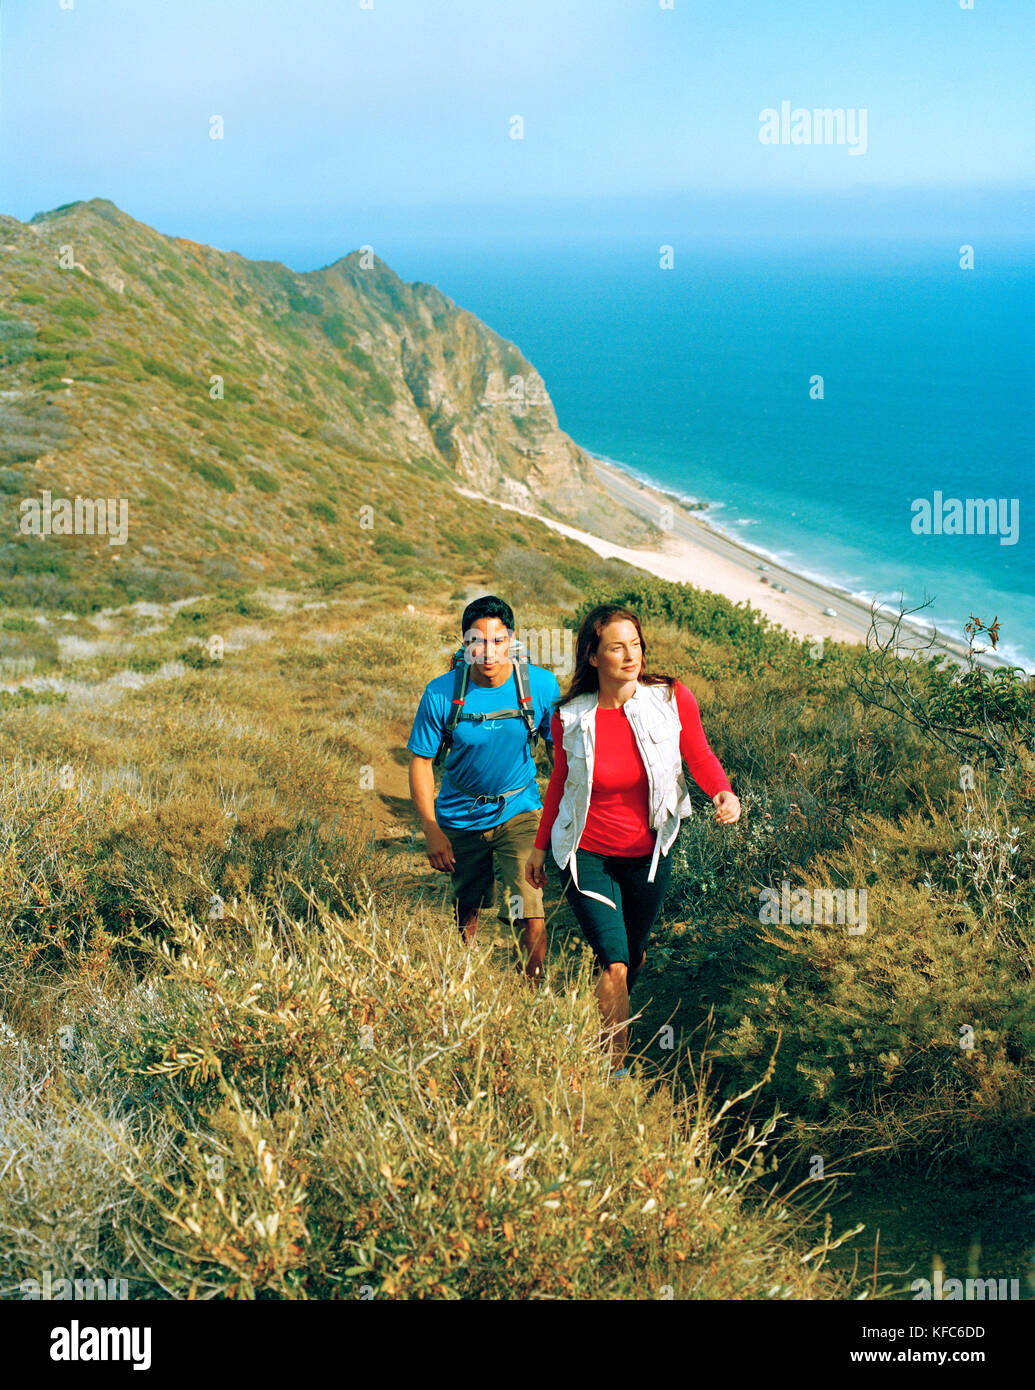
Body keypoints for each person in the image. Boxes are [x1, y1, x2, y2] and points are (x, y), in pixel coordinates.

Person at [525, 603, 740, 1070]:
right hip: (586, 853)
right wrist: (541, 847)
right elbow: (560, 783)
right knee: (615, 962)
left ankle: (607, 1010)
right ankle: (613, 1070)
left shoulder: (671, 698)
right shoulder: (572, 717)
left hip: (651, 850)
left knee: (634, 955)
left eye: (635, 645)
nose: (630, 656)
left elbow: (698, 754)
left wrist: (722, 792)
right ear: (593, 656)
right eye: (616, 647)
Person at [407, 595, 560, 980]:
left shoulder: (540, 686)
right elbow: (421, 762)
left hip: (519, 809)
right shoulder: (441, 693)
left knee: (530, 907)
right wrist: (431, 830)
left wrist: (567, 812)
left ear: (512, 640)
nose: (488, 652)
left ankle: (532, 989)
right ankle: (466, 972)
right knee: (468, 902)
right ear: (464, 643)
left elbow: (560, 751)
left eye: (498, 640)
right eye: (477, 641)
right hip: (460, 816)